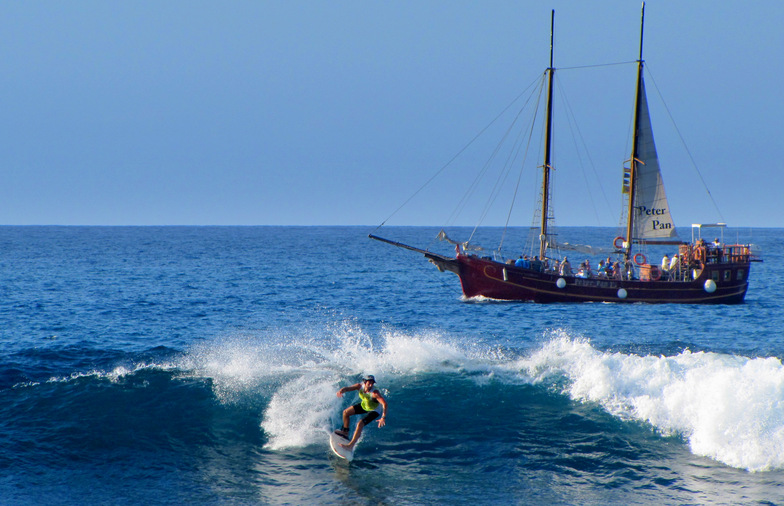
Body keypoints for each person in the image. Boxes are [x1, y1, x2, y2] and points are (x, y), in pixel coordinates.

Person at [335, 375, 388, 450]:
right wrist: (341, 391)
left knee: (360, 424)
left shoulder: (375, 393)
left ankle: (351, 445)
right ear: (365, 382)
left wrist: (383, 417)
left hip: (374, 410)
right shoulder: (359, 386)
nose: (371, 384)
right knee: (346, 412)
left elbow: (384, 404)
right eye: (369, 382)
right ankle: (345, 432)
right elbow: (347, 388)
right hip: (365, 405)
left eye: (372, 383)